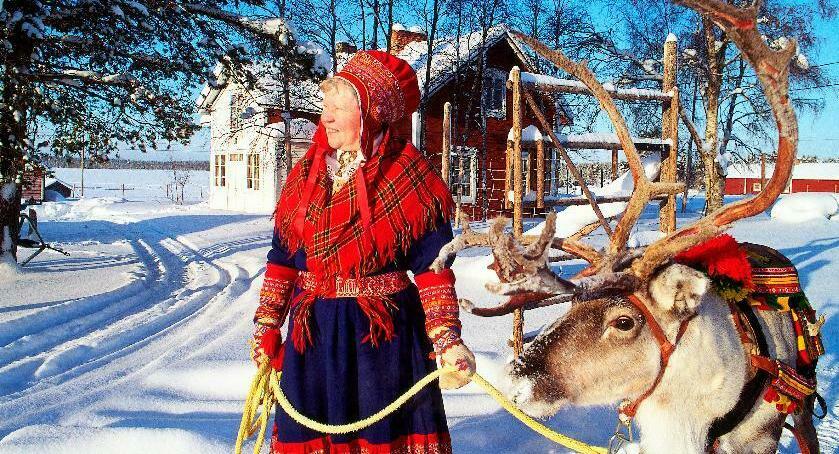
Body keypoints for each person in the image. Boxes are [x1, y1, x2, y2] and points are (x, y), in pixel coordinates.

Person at [250, 50, 476, 453]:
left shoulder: (409, 176)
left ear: (371, 113)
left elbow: (434, 268)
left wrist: (447, 339)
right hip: (312, 339)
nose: (326, 118)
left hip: (382, 342)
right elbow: (282, 259)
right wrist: (267, 325)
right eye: (326, 107)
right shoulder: (305, 174)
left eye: (338, 108)